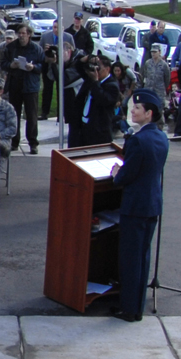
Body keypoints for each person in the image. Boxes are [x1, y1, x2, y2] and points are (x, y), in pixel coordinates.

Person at [111, 87, 169, 322]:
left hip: (135, 207)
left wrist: (117, 173)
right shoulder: (160, 137)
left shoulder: (138, 141)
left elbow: (127, 175)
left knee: (130, 259)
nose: (132, 112)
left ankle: (129, 308)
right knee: (142, 258)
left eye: (137, 109)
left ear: (150, 113)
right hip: (152, 205)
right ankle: (136, 305)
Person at [3, 26, 46, 153]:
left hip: (30, 86)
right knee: (14, 114)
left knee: (31, 115)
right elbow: (3, 63)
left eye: (23, 33)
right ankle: (14, 142)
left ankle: (33, 143)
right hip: (15, 85)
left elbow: (42, 66)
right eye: (19, 33)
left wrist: (33, 67)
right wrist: (11, 65)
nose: (21, 35)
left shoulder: (36, 49)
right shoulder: (11, 47)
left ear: (29, 35)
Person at [70, 59, 119, 146]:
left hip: (99, 131)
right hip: (84, 127)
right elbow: (79, 68)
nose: (96, 71)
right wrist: (86, 59)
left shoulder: (112, 86)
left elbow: (102, 99)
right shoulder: (90, 80)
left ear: (107, 69)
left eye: (99, 68)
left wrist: (96, 81)